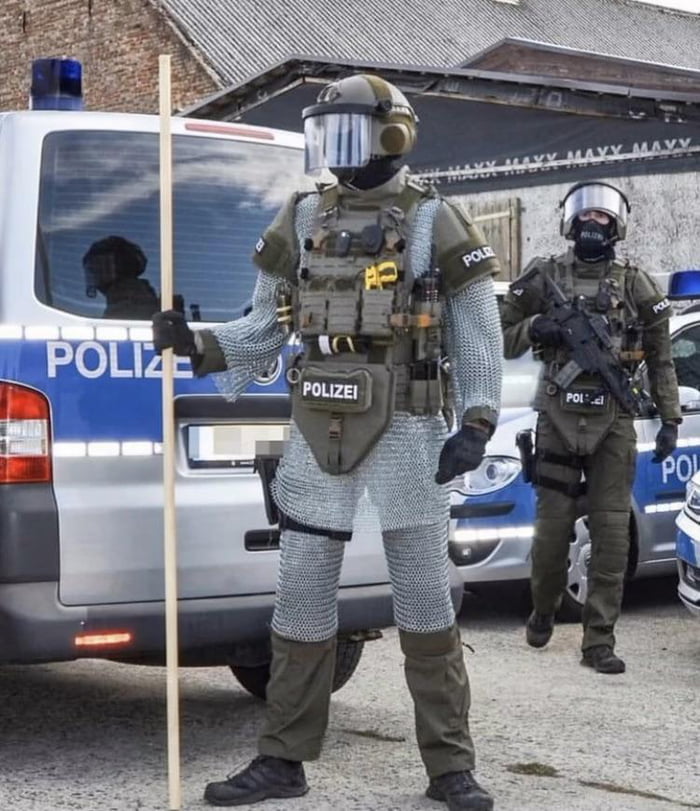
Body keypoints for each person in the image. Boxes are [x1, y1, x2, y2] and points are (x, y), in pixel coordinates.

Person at [153, 73, 503, 810]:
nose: (338, 152)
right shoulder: (303, 214)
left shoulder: (434, 220)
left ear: (393, 135)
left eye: (350, 133)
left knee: (425, 604)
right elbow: (264, 324)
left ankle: (450, 767)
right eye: (328, 135)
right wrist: (200, 344)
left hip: (407, 426)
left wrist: (477, 421)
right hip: (319, 425)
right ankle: (283, 759)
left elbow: (477, 329)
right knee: (301, 599)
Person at [501, 180, 681, 674]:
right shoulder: (544, 276)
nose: (592, 223)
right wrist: (536, 328)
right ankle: (543, 608)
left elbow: (661, 359)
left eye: (602, 217)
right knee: (551, 535)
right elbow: (498, 331)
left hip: (614, 421)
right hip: (558, 418)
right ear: (570, 221)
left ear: (616, 226)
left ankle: (598, 640)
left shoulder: (636, 284)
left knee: (612, 535)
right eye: (585, 215)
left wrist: (670, 419)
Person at [83, 235, 159, 319]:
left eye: (99, 265)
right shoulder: (127, 295)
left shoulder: (128, 297)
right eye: (92, 268)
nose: (95, 273)